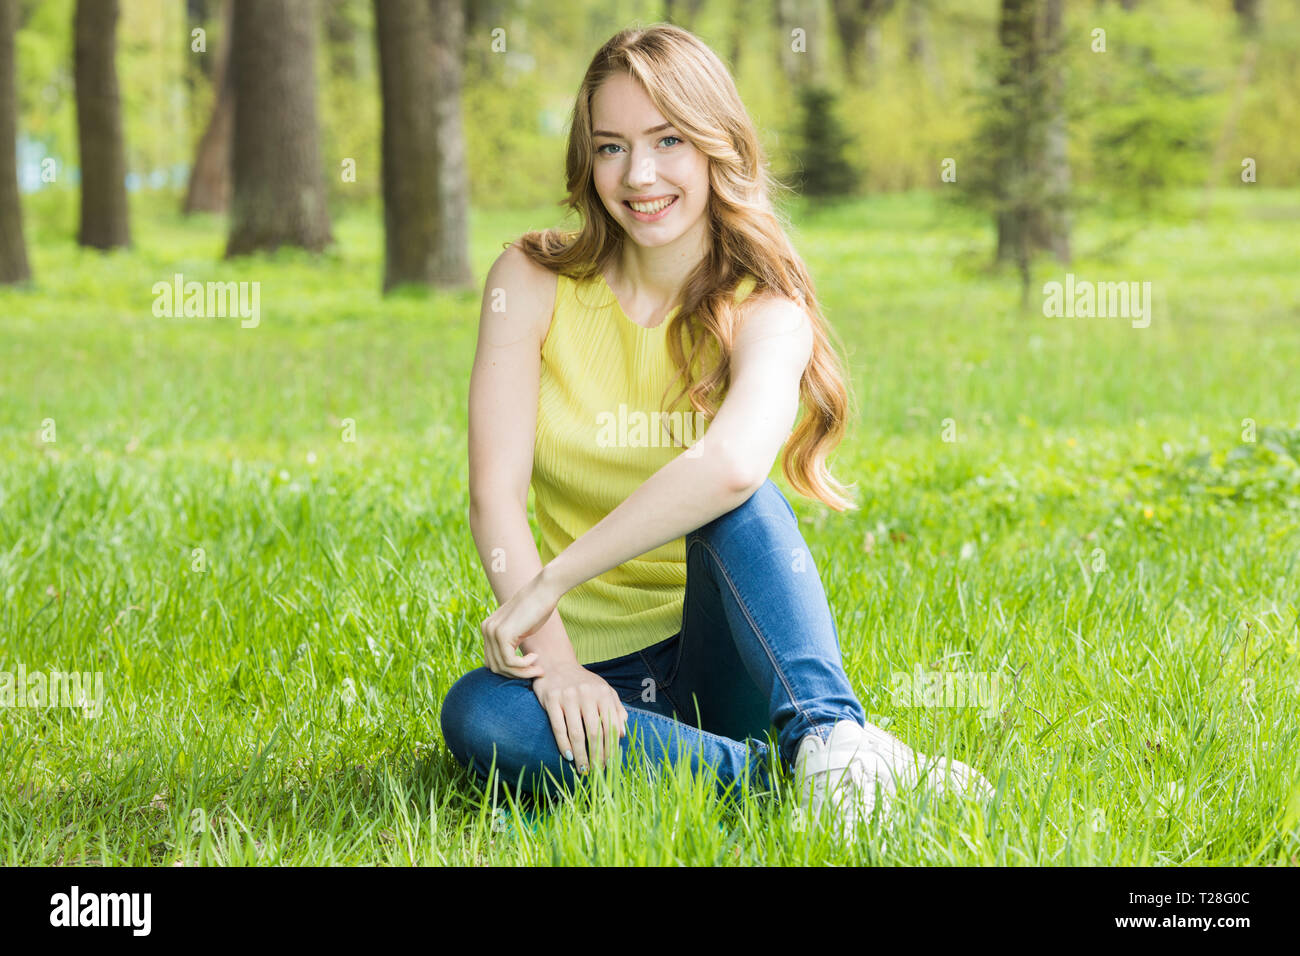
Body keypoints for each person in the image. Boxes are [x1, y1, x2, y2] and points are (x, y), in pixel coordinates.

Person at [441, 23, 994, 834]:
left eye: (669, 139)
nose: (641, 174)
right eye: (611, 147)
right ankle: (794, 782)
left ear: (715, 148)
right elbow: (493, 494)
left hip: (724, 659)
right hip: (592, 671)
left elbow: (733, 464)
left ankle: (828, 736)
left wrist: (550, 581)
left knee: (734, 497)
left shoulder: (767, 309)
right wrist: (557, 668)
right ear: (586, 162)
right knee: (482, 715)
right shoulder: (528, 281)